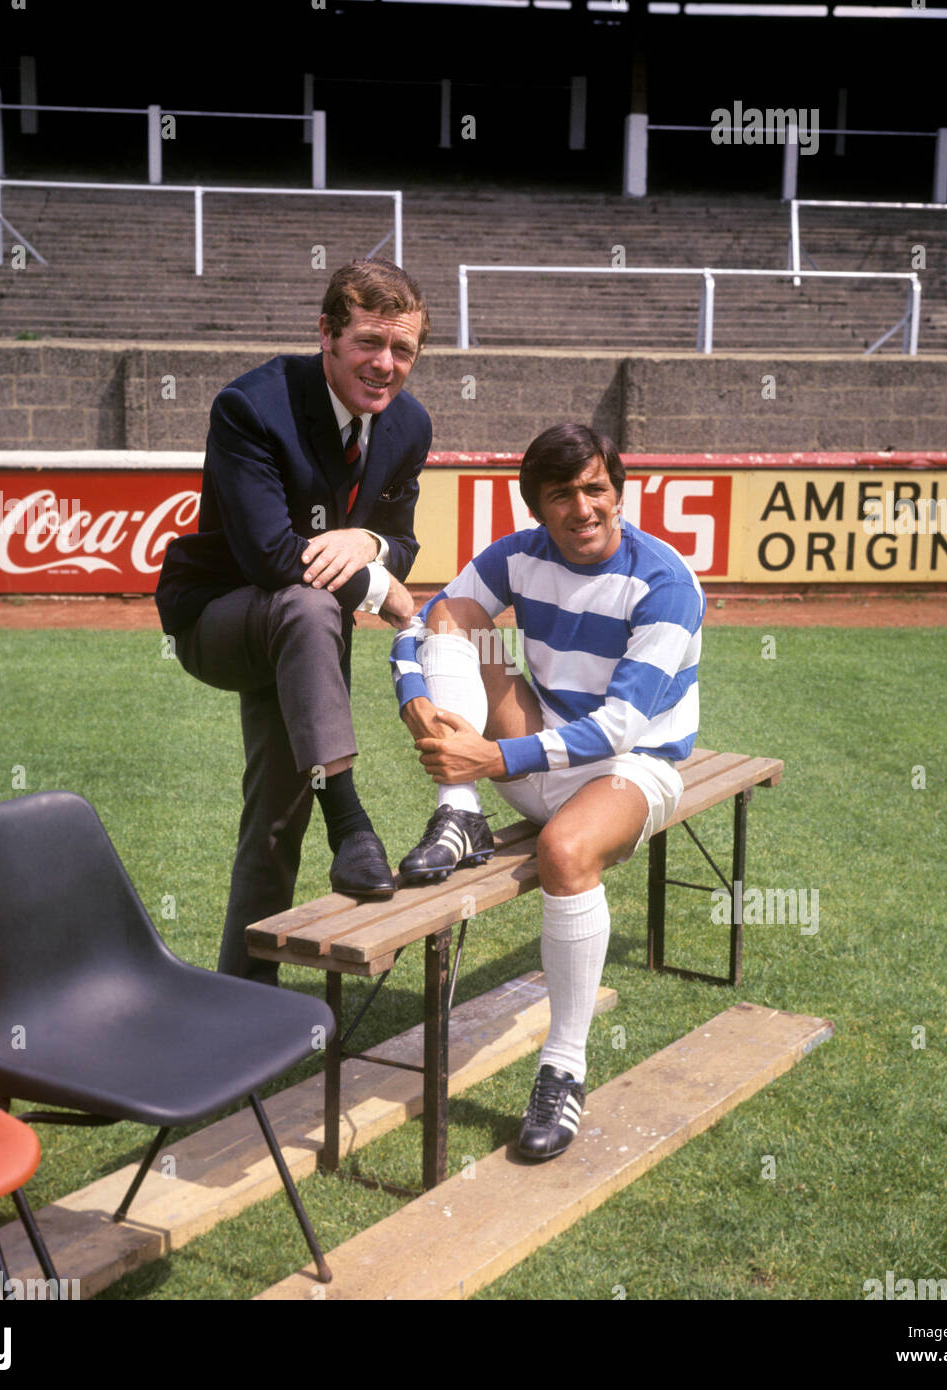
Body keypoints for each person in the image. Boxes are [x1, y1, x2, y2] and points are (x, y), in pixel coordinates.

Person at [389, 422, 705, 1160]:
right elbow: (422, 623)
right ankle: (456, 816)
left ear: (617, 490)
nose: (583, 508)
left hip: (634, 767)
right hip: (535, 752)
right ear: (536, 507)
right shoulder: (518, 555)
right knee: (456, 621)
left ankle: (563, 1068)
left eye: (595, 488)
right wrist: (414, 699)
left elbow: (622, 726)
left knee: (565, 851)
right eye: (561, 495)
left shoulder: (663, 581)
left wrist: (493, 757)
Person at [156, 259, 430, 986]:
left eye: (402, 350)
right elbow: (273, 558)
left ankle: (244, 995)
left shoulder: (409, 424)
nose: (385, 364)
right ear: (326, 336)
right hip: (217, 618)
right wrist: (382, 586)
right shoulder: (250, 407)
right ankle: (352, 821)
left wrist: (366, 544)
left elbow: (401, 539)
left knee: (279, 813)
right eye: (370, 342)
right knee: (307, 602)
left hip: (304, 634)